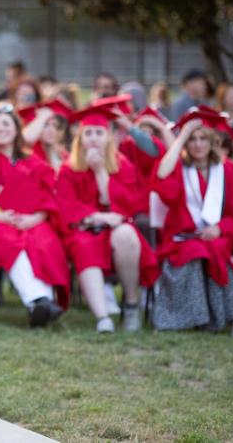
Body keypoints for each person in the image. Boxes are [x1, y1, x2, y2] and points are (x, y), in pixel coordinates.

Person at [56, 102, 159, 333]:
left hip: (115, 227)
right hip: (85, 229)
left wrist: (101, 170)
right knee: (84, 245)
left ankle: (131, 305)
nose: (93, 138)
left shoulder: (122, 165)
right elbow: (67, 207)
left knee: (127, 235)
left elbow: (124, 205)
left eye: (99, 133)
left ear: (109, 137)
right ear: (80, 138)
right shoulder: (68, 169)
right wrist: (96, 218)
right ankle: (103, 317)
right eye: (88, 133)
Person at [0, 107, 69, 326]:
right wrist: (0, 218)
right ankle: (39, 301)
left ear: (16, 129)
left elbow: (49, 197)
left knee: (44, 242)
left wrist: (36, 218)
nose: (0, 129)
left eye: (5, 124)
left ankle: (40, 305)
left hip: (32, 220)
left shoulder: (35, 162)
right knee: (10, 242)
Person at [151, 108, 233, 334]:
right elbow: (161, 175)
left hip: (217, 236)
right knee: (193, 250)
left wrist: (219, 228)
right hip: (183, 237)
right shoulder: (178, 170)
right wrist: (180, 136)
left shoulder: (227, 171)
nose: (198, 144)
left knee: (218, 248)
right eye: (192, 139)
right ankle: (192, 318)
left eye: (203, 138)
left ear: (213, 141)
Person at [18, 99, 72, 172]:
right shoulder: (31, 152)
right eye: (45, 125)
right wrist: (42, 116)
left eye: (55, 125)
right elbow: (26, 138)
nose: (51, 130)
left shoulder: (64, 155)